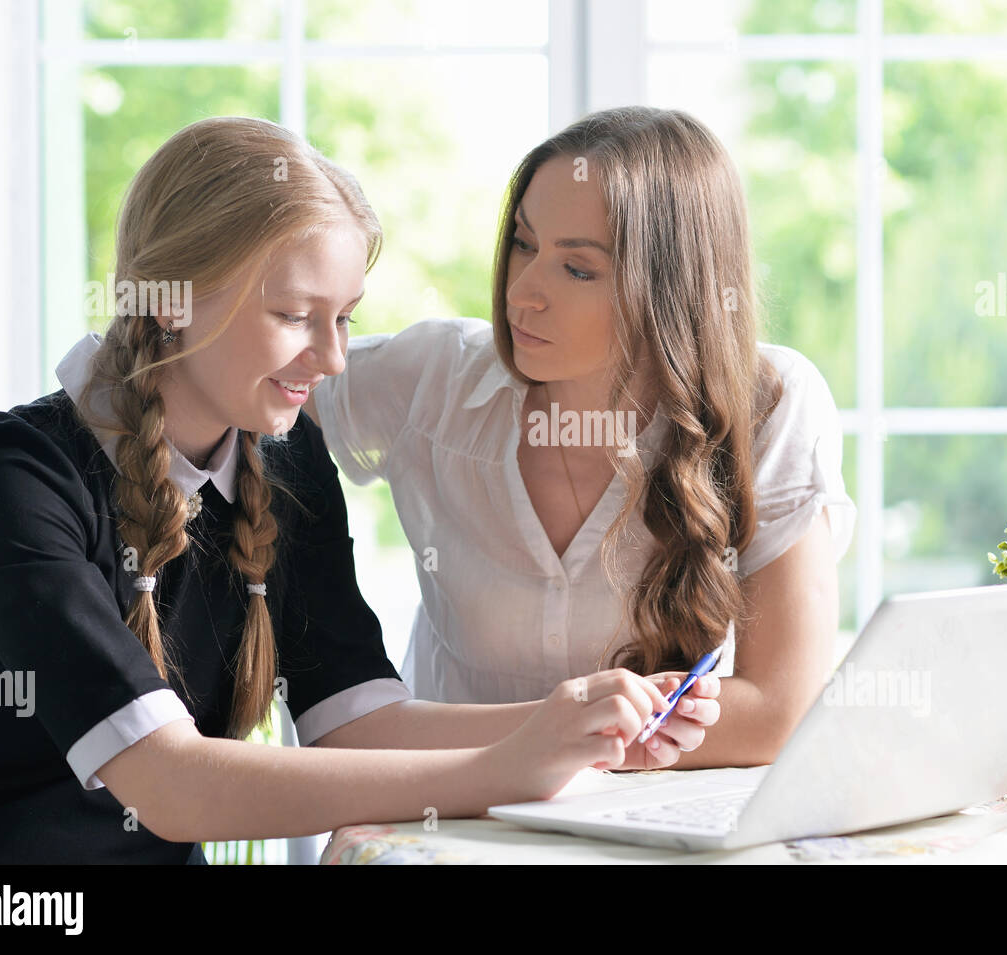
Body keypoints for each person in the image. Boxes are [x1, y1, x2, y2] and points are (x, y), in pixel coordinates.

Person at [0, 116, 717, 864]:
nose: (334, 358)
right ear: (171, 299)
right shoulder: (13, 478)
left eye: (343, 318)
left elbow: (354, 721)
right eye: (294, 315)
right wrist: (511, 767)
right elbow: (168, 783)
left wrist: (580, 724)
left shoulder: (286, 455)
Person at [306, 106, 856, 770]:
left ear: (669, 291)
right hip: (453, 818)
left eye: (578, 269)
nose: (523, 292)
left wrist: (586, 744)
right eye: (523, 242)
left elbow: (776, 711)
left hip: (659, 828)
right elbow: (254, 386)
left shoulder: (770, 404)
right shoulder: (434, 381)